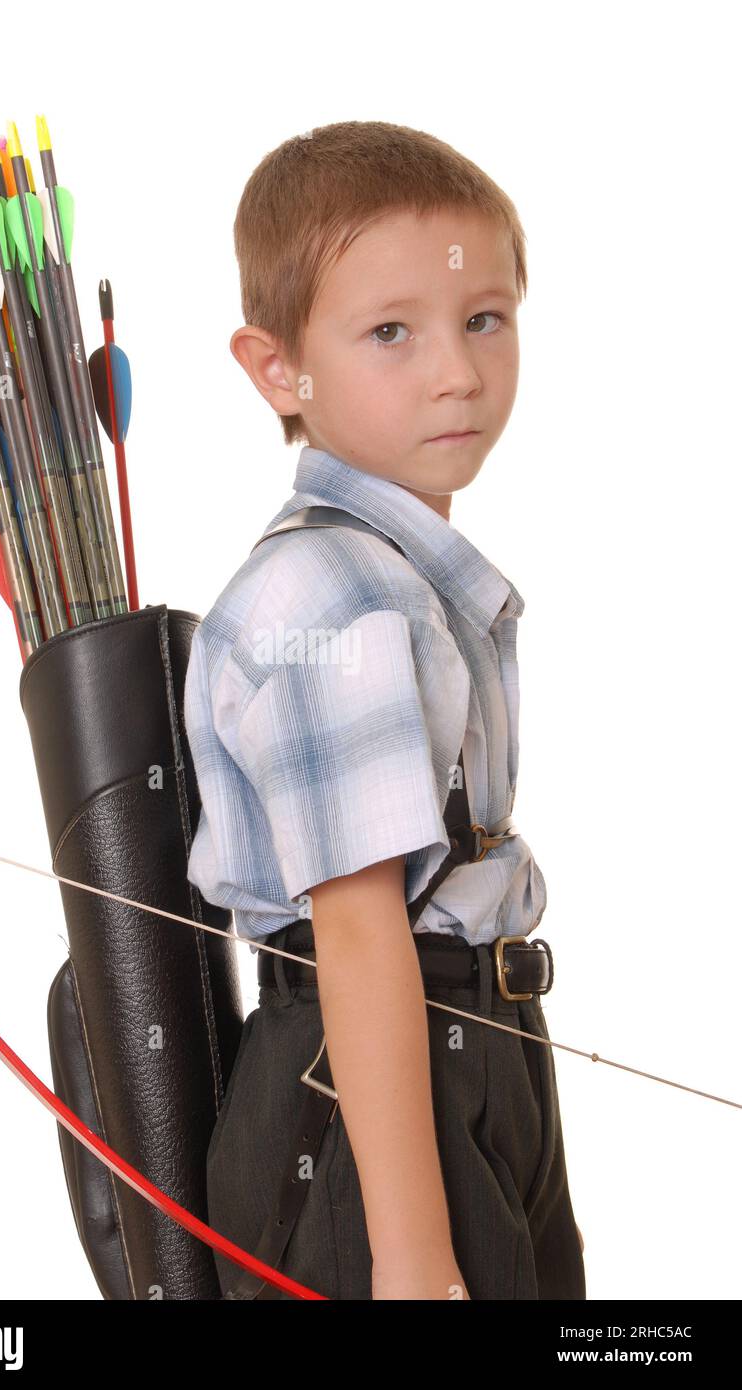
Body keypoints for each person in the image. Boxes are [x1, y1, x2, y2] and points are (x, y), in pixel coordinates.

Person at [184, 120, 586, 1301]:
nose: (457, 371)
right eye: (390, 333)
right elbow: (361, 932)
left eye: (485, 318)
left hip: (470, 1060)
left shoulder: (398, 577)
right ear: (276, 368)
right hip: (365, 1105)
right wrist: (412, 1264)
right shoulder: (333, 593)